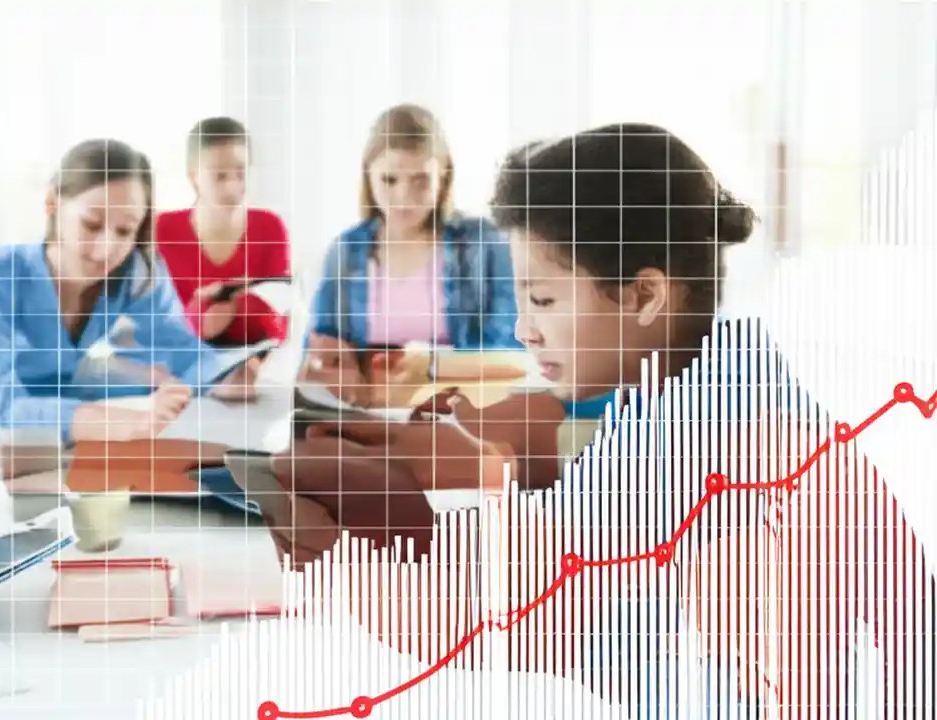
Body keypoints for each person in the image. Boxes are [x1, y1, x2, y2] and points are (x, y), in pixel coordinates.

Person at [267, 125, 935, 715]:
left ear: (645, 294)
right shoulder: (675, 384)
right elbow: (548, 537)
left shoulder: (709, 420)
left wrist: (340, 569)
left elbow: (512, 619)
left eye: (545, 299)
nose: (525, 331)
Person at [0, 139, 259, 465]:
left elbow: (186, 353)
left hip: (68, 454)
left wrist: (225, 376)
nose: (106, 249)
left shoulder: (136, 272)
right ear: (52, 203)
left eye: (124, 230)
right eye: (91, 225)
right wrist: (127, 422)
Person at [300, 104, 521, 406]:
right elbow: (317, 348)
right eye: (389, 180)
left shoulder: (483, 244)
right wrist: (334, 368)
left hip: (460, 410)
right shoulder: (345, 251)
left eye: (421, 180)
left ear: (443, 177)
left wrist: (430, 369)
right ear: (369, 177)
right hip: (370, 411)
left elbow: (510, 350)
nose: (404, 197)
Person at [156, 117, 291, 346]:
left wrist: (236, 306)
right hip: (184, 362)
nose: (231, 186)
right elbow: (155, 324)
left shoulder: (270, 227)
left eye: (240, 173)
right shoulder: (162, 230)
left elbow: (280, 316)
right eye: (219, 176)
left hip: (256, 359)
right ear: (194, 176)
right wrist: (199, 315)